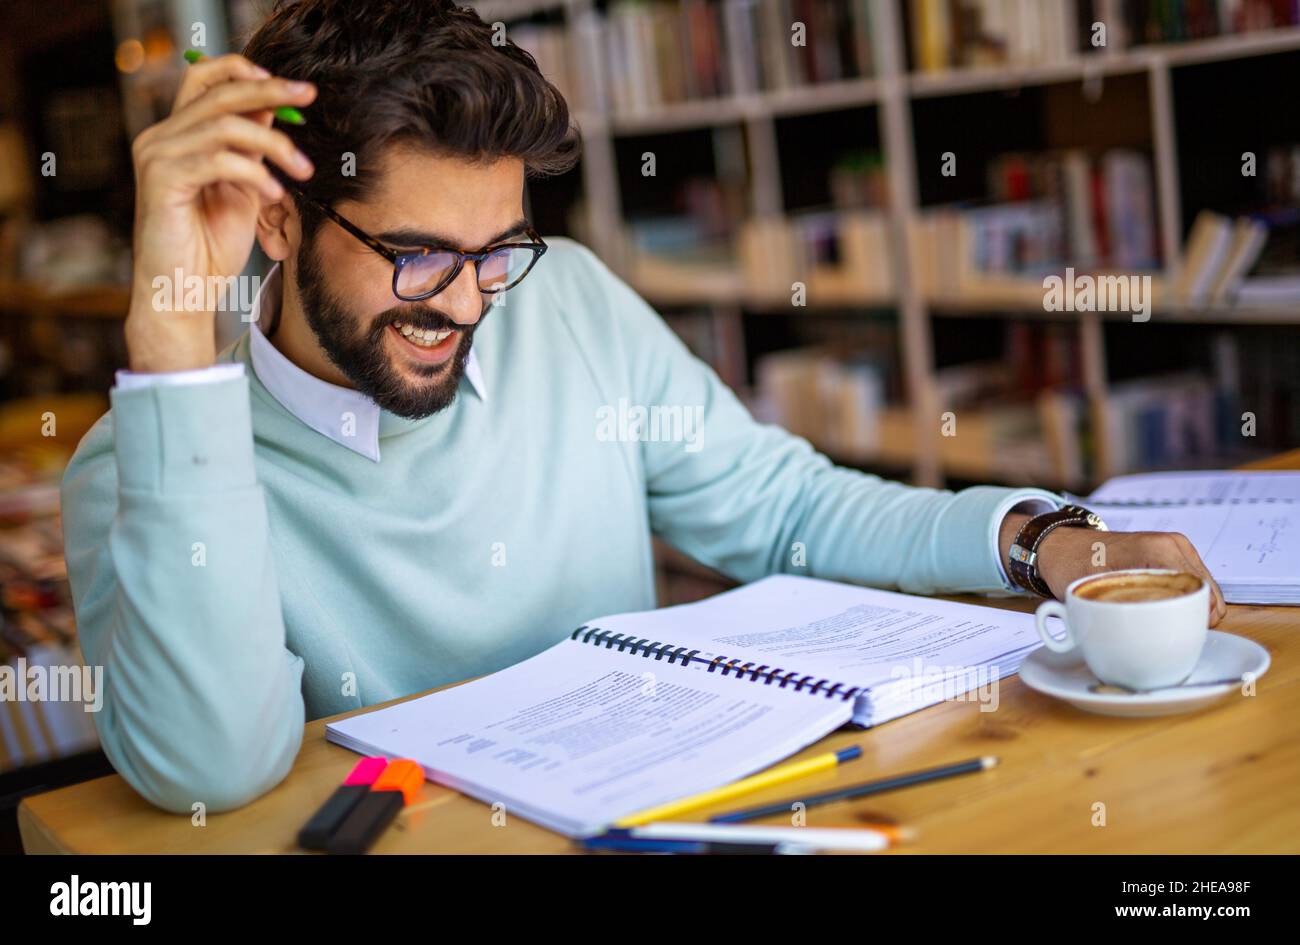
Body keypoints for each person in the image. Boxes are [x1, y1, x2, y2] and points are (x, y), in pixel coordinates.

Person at [61, 0, 1225, 813]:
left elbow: (780, 509)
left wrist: (1037, 539)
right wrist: (171, 348)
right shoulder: (150, 460)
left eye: (496, 251)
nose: (465, 306)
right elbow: (207, 776)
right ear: (275, 217)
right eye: (416, 254)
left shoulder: (561, 301)